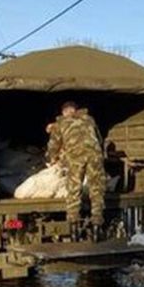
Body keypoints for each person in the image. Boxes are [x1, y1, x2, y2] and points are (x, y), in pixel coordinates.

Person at [45, 101, 107, 240]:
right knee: (97, 190)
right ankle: (97, 226)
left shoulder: (61, 124)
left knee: (74, 189)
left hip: (75, 158)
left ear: (64, 112)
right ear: (76, 110)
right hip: (94, 156)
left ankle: (74, 229)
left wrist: (51, 158)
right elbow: (99, 139)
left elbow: (53, 146)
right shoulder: (89, 119)